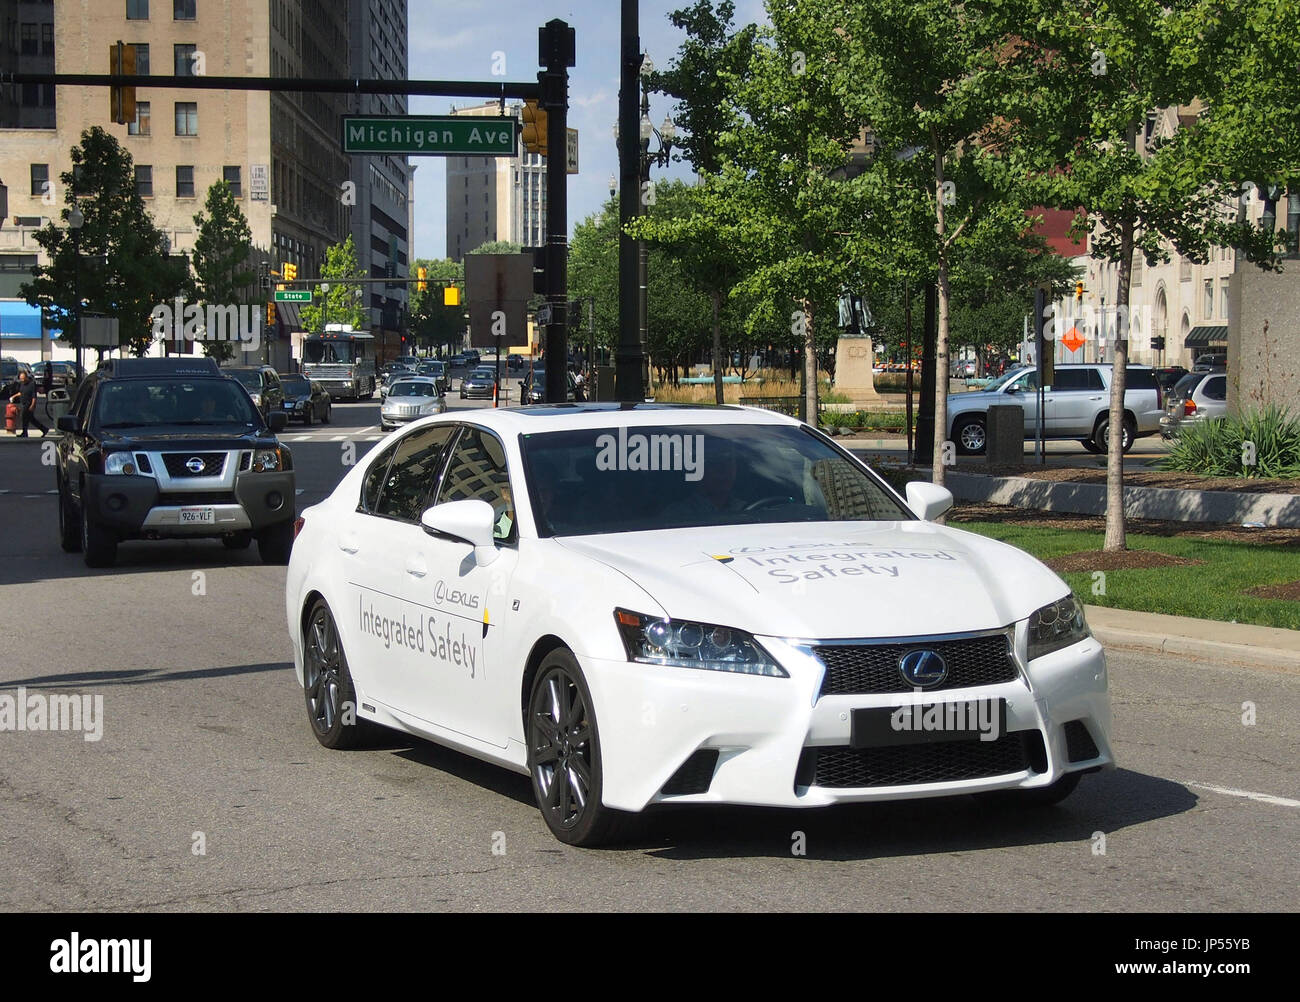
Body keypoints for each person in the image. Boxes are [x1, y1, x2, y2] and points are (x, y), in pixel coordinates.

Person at [9, 371, 49, 437]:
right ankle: (44, 429)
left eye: (23, 379)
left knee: (24, 417)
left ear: (26, 377)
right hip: (24, 403)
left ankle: (25, 433)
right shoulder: (22, 384)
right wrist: (14, 396)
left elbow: (34, 396)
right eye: (21, 379)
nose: (22, 380)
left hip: (29, 403)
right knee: (31, 419)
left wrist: (32, 405)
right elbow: (21, 392)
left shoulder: (32, 384)